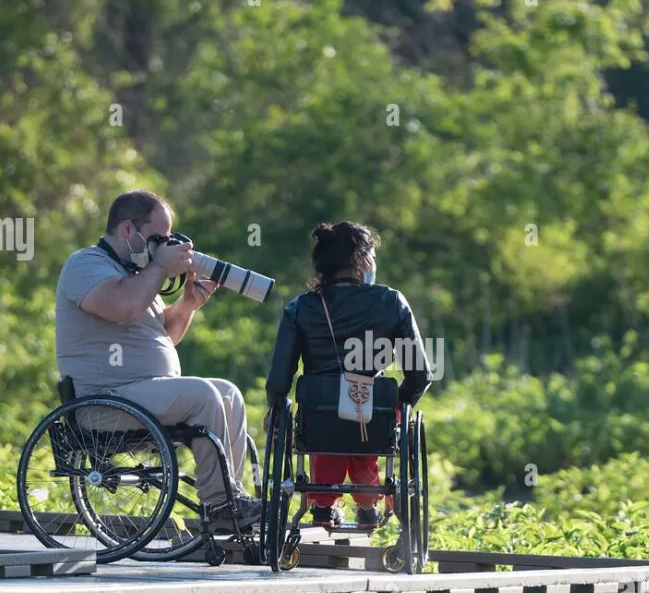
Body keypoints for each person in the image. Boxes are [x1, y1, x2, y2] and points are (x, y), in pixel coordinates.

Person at [54, 189, 263, 531]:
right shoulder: (86, 264)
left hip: (141, 393)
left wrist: (186, 306)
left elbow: (162, 336)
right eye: (159, 238)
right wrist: (160, 268)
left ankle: (231, 495)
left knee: (227, 392)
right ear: (127, 230)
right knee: (203, 395)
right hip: (106, 400)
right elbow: (121, 307)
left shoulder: (139, 278)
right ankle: (220, 504)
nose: (165, 246)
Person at [265, 221, 431, 529]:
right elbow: (419, 374)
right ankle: (368, 502)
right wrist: (397, 408)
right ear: (361, 259)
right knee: (366, 408)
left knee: (325, 408)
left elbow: (279, 380)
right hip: (373, 421)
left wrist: (275, 411)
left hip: (318, 422)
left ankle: (321, 504)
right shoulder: (391, 302)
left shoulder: (300, 308)